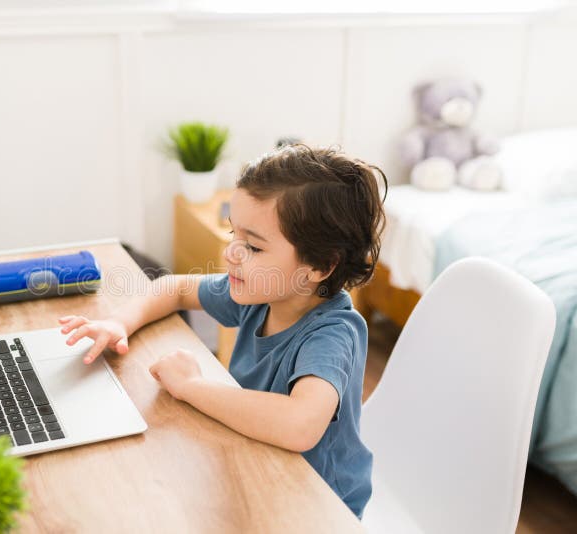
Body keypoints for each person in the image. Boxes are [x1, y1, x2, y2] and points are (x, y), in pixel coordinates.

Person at [58, 144, 387, 518]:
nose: (232, 252)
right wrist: (120, 321)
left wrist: (192, 386)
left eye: (253, 247)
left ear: (320, 266)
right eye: (234, 233)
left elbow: (300, 425)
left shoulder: (333, 332)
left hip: (316, 505)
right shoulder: (264, 293)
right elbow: (176, 288)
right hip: (254, 464)